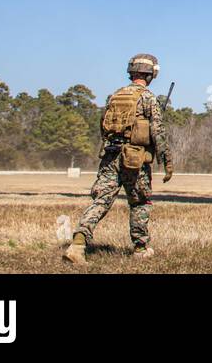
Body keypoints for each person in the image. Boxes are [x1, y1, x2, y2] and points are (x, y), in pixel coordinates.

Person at [64, 53, 172, 264]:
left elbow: (103, 125)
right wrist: (167, 162)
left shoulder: (115, 96)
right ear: (151, 74)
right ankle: (140, 248)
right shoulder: (148, 98)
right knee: (140, 202)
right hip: (134, 159)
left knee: (101, 200)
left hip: (110, 155)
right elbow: (158, 133)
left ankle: (77, 244)